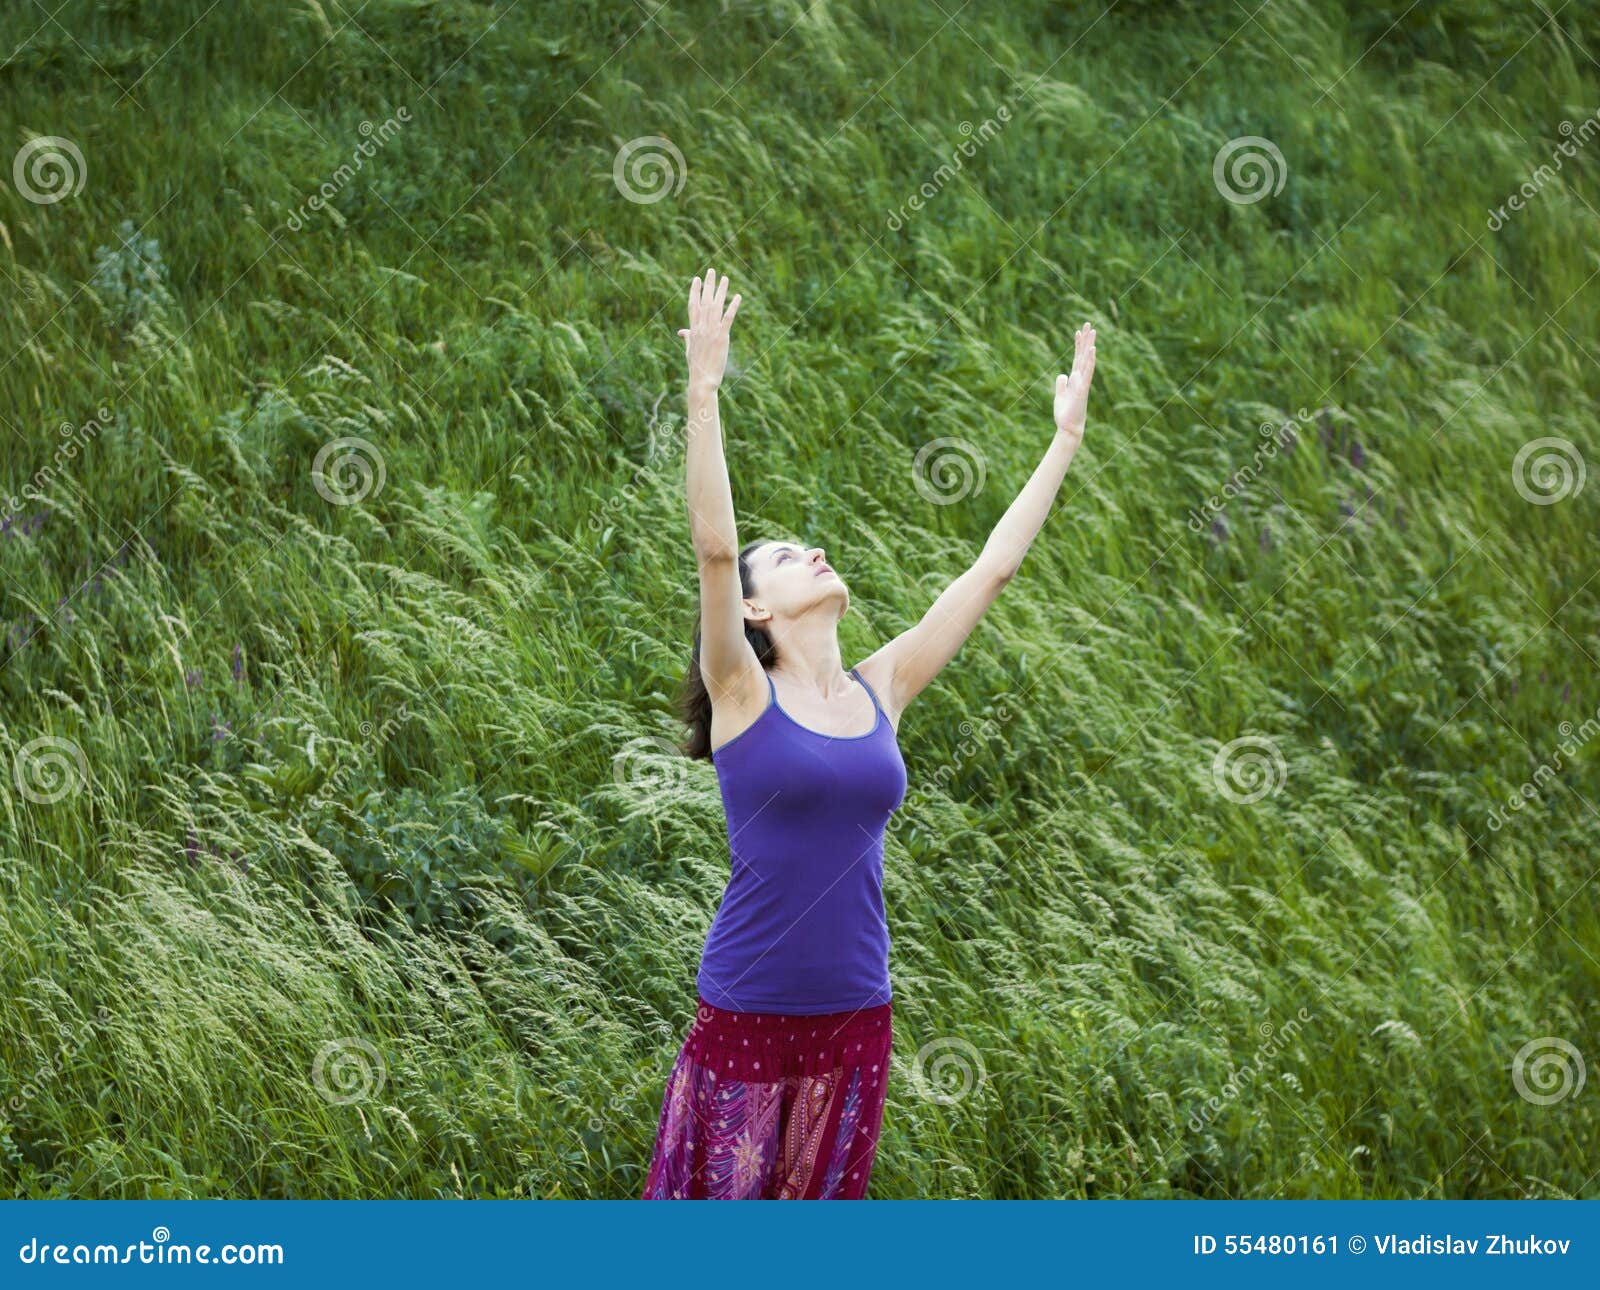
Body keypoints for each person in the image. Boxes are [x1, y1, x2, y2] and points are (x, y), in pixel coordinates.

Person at [641, 267, 1097, 1199]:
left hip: (859, 1009)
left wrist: (1065, 442)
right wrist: (703, 390)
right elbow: (717, 548)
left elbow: (991, 571)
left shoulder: (880, 686)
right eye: (787, 557)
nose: (812, 551)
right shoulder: (741, 694)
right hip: (750, 1006)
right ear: (757, 610)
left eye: (808, 544)